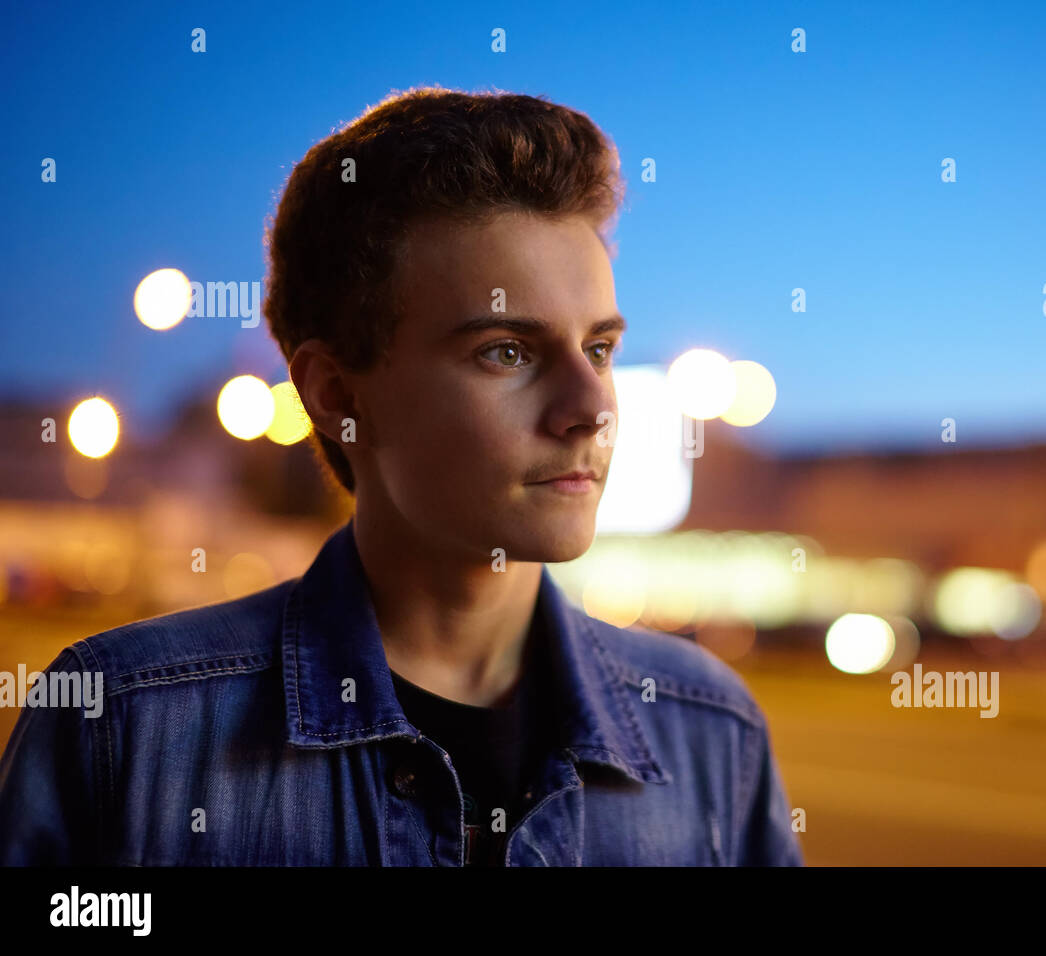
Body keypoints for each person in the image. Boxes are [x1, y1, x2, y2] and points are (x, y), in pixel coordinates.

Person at [0, 87, 803, 867]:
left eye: (598, 349)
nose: (593, 408)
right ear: (338, 395)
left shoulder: (713, 731)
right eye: (507, 352)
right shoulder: (122, 727)